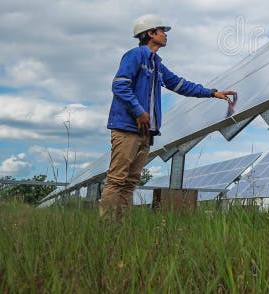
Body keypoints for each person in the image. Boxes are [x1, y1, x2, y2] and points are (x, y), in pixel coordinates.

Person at [99, 14, 235, 219]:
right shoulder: (135, 56)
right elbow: (119, 85)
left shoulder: (157, 65)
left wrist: (212, 92)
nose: (165, 35)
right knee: (117, 179)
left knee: (130, 182)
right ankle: (106, 226)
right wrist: (139, 111)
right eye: (162, 31)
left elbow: (180, 85)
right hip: (127, 128)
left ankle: (120, 227)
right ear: (150, 33)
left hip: (145, 131)